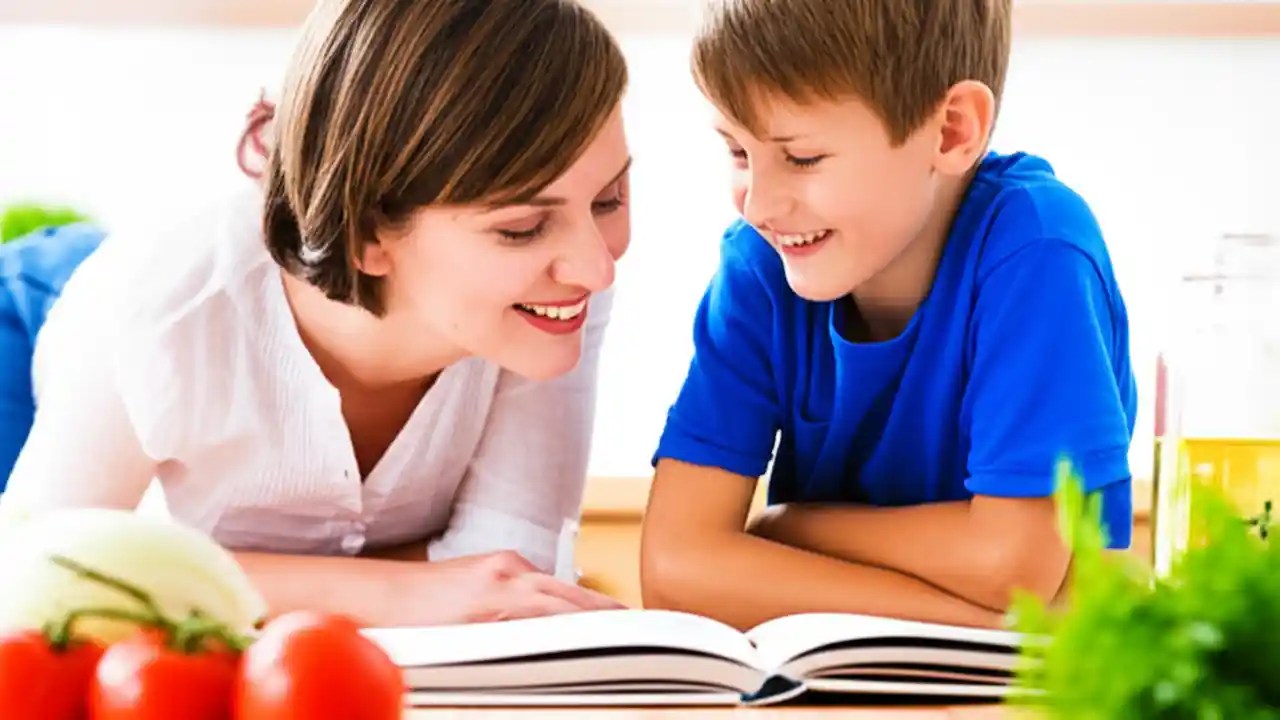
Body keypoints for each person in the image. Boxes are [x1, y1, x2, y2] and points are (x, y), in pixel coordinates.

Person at [4, 0, 634, 627]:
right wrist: (404, 592)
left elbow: (505, 570)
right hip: (39, 309)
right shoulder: (152, 312)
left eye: (608, 200)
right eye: (523, 228)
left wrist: (221, 573)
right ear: (365, 234)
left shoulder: (551, 295)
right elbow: (52, 569)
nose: (597, 269)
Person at [641, 0, 1138, 631]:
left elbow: (1011, 564)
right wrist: (991, 623)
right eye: (738, 152)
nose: (758, 206)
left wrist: (789, 525)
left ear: (952, 130)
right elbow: (673, 567)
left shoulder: (1038, 249)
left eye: (802, 158)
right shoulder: (758, 269)